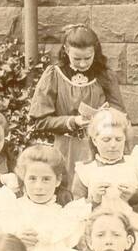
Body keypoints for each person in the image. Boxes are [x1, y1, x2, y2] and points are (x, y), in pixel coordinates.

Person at [28, 24, 126, 186]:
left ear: (95, 51)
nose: (82, 64)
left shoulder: (105, 75)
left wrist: (104, 116)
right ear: (66, 51)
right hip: (66, 149)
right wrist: (73, 121)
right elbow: (40, 120)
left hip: (100, 148)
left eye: (88, 58)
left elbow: (120, 114)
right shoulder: (54, 75)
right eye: (77, 58)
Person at [68, 108, 138, 220]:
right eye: (106, 140)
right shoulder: (85, 170)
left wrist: (136, 196)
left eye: (119, 139)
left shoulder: (136, 162)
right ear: (95, 140)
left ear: (125, 138)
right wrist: (94, 200)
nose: (113, 145)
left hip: (133, 227)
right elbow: (75, 214)